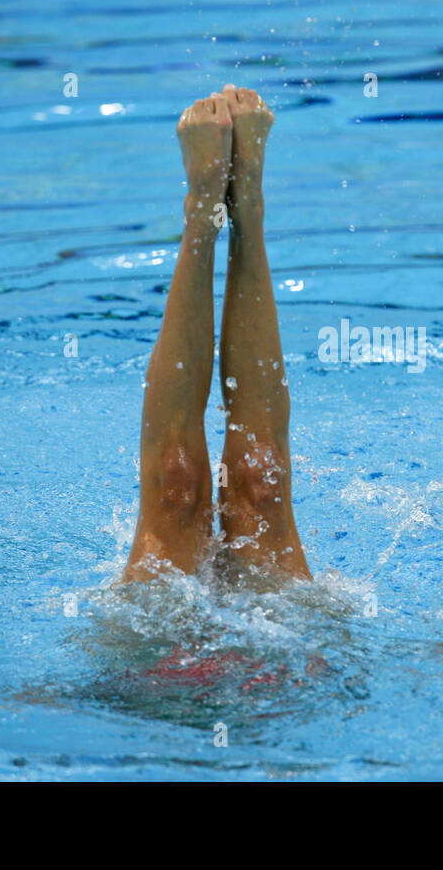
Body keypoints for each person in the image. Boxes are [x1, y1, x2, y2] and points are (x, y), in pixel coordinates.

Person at [123, 86, 311, 583]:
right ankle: (205, 204)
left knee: (258, 482)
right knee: (175, 486)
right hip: (166, 652)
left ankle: (243, 200)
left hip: (277, 649)